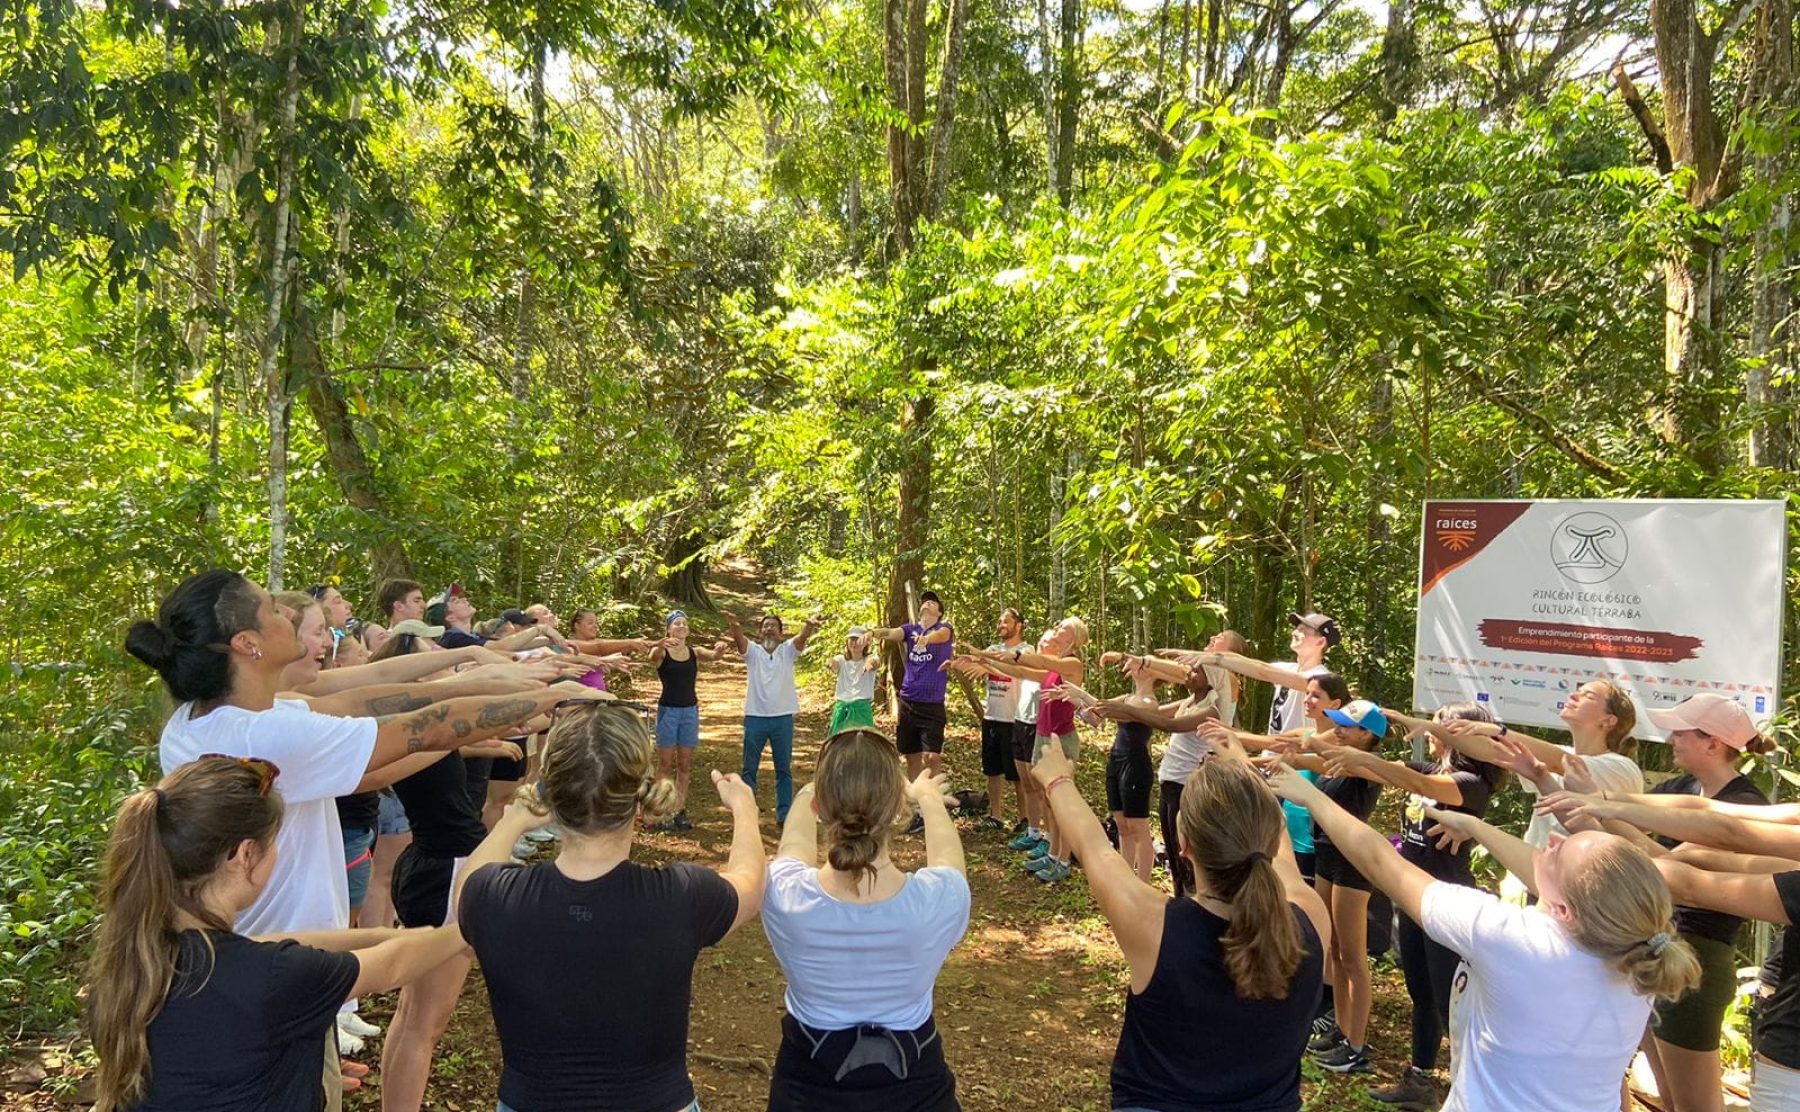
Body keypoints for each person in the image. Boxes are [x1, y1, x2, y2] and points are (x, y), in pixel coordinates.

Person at [125, 569, 609, 1109]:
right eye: (272, 609)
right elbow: (423, 725)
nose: (285, 612)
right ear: (247, 643)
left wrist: (509, 685)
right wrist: (544, 700)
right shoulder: (262, 734)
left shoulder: (211, 720)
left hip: (260, 960)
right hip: (271, 972)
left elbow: (368, 698)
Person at [1268, 763, 1701, 1112]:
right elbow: (1557, 879)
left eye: (1559, 852)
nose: (1551, 840)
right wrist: (1475, 827)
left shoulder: (1513, 940)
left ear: (1564, 909)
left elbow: (1383, 863)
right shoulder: (1636, 950)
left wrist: (1312, 797)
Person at [86, 756, 470, 1112]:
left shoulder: (135, 964)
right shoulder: (272, 978)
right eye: (274, 842)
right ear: (244, 855)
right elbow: (392, 967)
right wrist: (468, 926)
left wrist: (398, 936)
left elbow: (277, 947)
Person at [455, 703, 765, 1112]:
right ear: (640, 797)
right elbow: (749, 885)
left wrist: (514, 821)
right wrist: (745, 812)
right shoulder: (680, 895)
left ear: (551, 793)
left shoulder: (495, 897)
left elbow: (465, 886)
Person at [1031, 730, 1328, 1111]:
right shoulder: (1310, 916)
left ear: (1183, 842)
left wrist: (1057, 780)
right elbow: (1275, 838)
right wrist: (1243, 769)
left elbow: (1095, 849)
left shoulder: (1153, 925)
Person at [1535, 694, 1777, 1112]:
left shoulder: (1745, 806)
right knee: (1662, 1091)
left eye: (1681, 732)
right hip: (1654, 948)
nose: (1670, 739)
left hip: (1696, 955)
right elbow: (1625, 832)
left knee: (1694, 1103)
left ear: (1713, 743)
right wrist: (1556, 786)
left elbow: (1669, 866)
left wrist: (1597, 806)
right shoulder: (1679, 789)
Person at [762, 729, 970, 1110]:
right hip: (920, 1094)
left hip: (805, 1092)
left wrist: (811, 790)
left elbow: (794, 843)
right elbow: (948, 859)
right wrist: (928, 798)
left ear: (820, 807)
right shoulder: (938, 901)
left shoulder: (785, 895)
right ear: (897, 810)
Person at [1316, 701, 1508, 1108]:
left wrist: (1365, 757)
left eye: (1438, 726)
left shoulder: (1470, 782)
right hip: (1415, 899)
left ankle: (1475, 1087)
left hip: (1449, 903)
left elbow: (1413, 781)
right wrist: (1325, 755)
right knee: (1421, 993)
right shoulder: (1432, 770)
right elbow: (1384, 771)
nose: (1431, 733)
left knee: (1447, 1001)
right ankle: (1420, 1079)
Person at [1253, 696, 1386, 1074]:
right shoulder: (1337, 762)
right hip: (1327, 856)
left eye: (1347, 726)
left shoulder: (1368, 766)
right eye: (1337, 723)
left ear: (1367, 735)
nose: (1338, 730)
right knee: (1335, 951)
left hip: (1351, 864)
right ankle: (1341, 1031)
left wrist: (1309, 743)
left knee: (1354, 957)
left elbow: (1315, 755)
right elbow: (1302, 762)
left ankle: (1356, 1046)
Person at [1391, 679, 1644, 854]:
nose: (1574, 695)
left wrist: (1500, 732)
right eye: (1577, 690)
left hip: (1591, 886)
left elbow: (1560, 763)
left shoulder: (1620, 767)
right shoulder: (1562, 754)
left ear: (1609, 720)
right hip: (1546, 880)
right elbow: (1491, 752)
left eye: (1588, 695)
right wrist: (1433, 728)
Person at [958, 616, 1089, 883]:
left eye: (1063, 627)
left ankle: (1064, 860)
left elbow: (1037, 661)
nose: (1057, 628)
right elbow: (1019, 672)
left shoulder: (1071, 664)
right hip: (1043, 735)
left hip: (1060, 740)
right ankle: (1053, 853)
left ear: (1074, 637)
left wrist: (1011, 655)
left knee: (1061, 802)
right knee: (1049, 800)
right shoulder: (1054, 667)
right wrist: (984, 659)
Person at [864, 592, 956, 832]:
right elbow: (892, 633)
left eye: (933, 602)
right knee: (911, 755)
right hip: (908, 701)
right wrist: (873, 633)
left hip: (932, 704)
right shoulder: (910, 629)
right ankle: (916, 809)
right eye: (925, 601)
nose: (927, 603)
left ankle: (934, 807)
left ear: (939, 612)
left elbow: (941, 636)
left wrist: (926, 639)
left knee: (932, 757)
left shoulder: (944, 629)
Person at [723, 610, 822, 824]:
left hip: (782, 718)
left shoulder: (787, 651)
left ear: (780, 632)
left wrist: (809, 626)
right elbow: (740, 641)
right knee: (749, 768)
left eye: (773, 626)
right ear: (760, 632)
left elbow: (801, 639)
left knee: (783, 769)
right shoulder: (753, 652)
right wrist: (735, 626)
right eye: (765, 626)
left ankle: (784, 813)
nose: (769, 629)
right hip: (755, 717)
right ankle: (746, 811)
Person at [648, 610, 734, 831]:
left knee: (684, 764)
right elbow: (652, 657)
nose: (681, 626)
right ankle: (660, 811)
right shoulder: (663, 652)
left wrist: (719, 649)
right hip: (668, 711)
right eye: (676, 623)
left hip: (689, 711)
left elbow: (713, 656)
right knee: (665, 764)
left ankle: (678, 809)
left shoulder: (694, 652)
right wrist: (659, 643)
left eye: (684, 623)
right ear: (669, 628)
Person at [829, 625, 881, 736]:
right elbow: (834, 664)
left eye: (858, 639)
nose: (854, 643)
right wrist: (830, 663)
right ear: (847, 642)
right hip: (842, 707)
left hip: (862, 708)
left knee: (866, 741)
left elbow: (875, 662)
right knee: (834, 741)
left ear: (866, 642)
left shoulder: (870, 657)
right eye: (852, 639)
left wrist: (869, 665)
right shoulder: (841, 659)